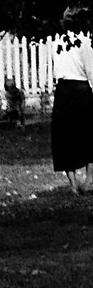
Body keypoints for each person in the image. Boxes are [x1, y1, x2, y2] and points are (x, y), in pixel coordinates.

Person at [53, 34, 92, 195]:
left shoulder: (57, 40)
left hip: (63, 90)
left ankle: (73, 182)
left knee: (64, 136)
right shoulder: (84, 40)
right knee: (88, 134)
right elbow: (90, 70)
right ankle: (89, 179)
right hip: (80, 89)